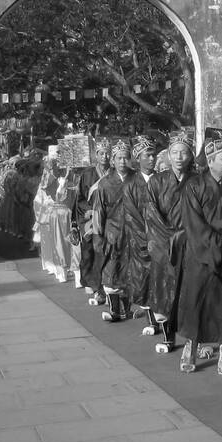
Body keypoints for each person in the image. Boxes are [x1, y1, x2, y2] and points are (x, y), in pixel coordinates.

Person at [178, 129, 222, 376]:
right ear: (210, 160)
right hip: (202, 256)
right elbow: (194, 226)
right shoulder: (194, 187)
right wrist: (219, 249)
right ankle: (192, 349)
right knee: (198, 306)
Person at [143, 131, 196, 354]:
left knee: (190, 293)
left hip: (192, 243)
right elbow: (151, 214)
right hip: (164, 245)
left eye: (184, 152)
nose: (179, 157)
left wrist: (190, 235)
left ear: (191, 155)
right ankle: (168, 337)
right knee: (165, 293)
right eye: (174, 152)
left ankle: (194, 340)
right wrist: (169, 239)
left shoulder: (198, 181)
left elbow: (203, 213)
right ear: (168, 155)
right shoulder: (157, 181)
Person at [94, 140, 135, 323]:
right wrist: (98, 236)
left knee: (130, 272)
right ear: (113, 160)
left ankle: (127, 309)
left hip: (135, 234)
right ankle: (113, 310)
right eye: (119, 158)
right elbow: (98, 212)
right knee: (111, 272)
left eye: (126, 158)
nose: (123, 162)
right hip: (113, 234)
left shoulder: (138, 179)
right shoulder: (105, 183)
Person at [121, 136, 158, 327]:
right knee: (145, 280)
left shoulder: (163, 179)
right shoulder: (130, 184)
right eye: (148, 155)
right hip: (141, 241)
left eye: (154, 155)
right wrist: (147, 239)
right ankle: (152, 321)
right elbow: (132, 217)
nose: (152, 159)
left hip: (163, 240)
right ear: (138, 158)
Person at [75, 138, 111, 296]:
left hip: (109, 217)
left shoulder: (114, 173)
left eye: (108, 153)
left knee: (105, 251)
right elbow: (80, 199)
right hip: (90, 218)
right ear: (96, 155)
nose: (105, 157)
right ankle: (88, 280)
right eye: (102, 153)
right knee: (89, 250)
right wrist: (88, 210)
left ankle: (102, 282)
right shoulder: (87, 174)